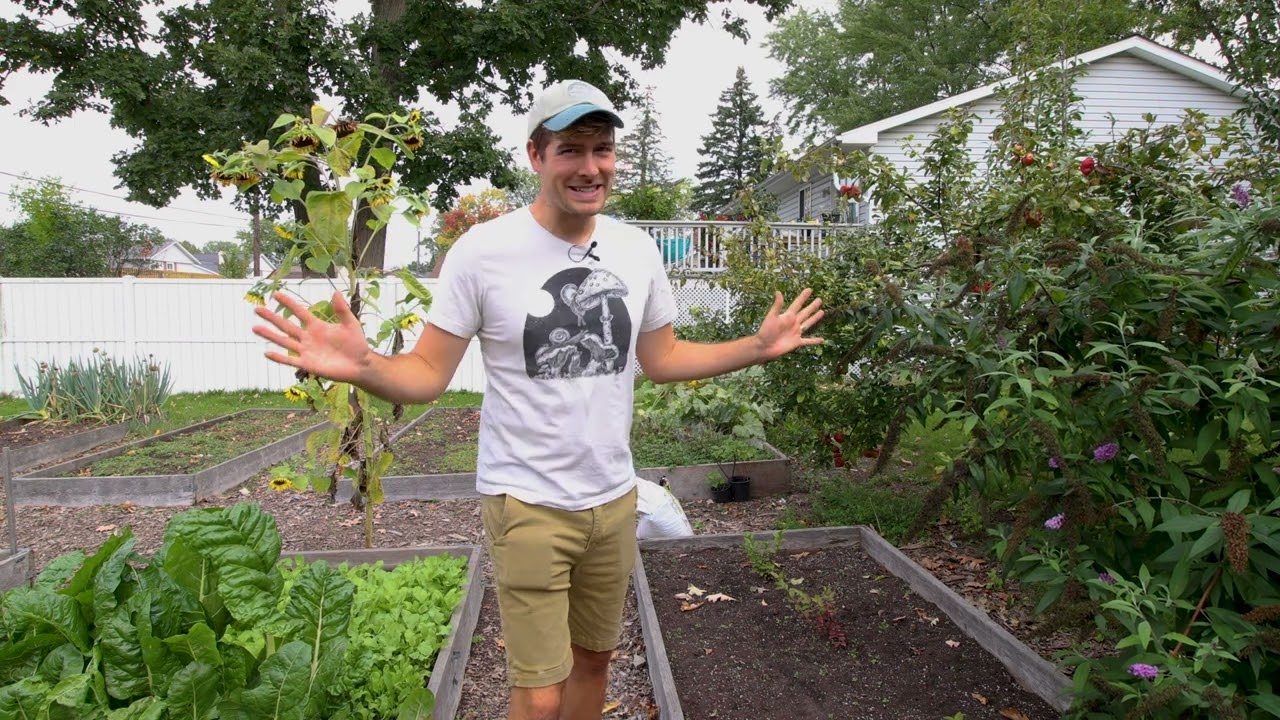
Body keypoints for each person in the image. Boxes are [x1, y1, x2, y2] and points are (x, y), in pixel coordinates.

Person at [251, 78, 824, 720]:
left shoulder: (635, 251)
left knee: (594, 661)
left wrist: (755, 345)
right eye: (571, 150)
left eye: (602, 149)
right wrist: (363, 367)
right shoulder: (483, 253)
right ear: (536, 156)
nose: (590, 167)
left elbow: (663, 360)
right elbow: (426, 374)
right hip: (527, 501)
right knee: (539, 689)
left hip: (613, 498)